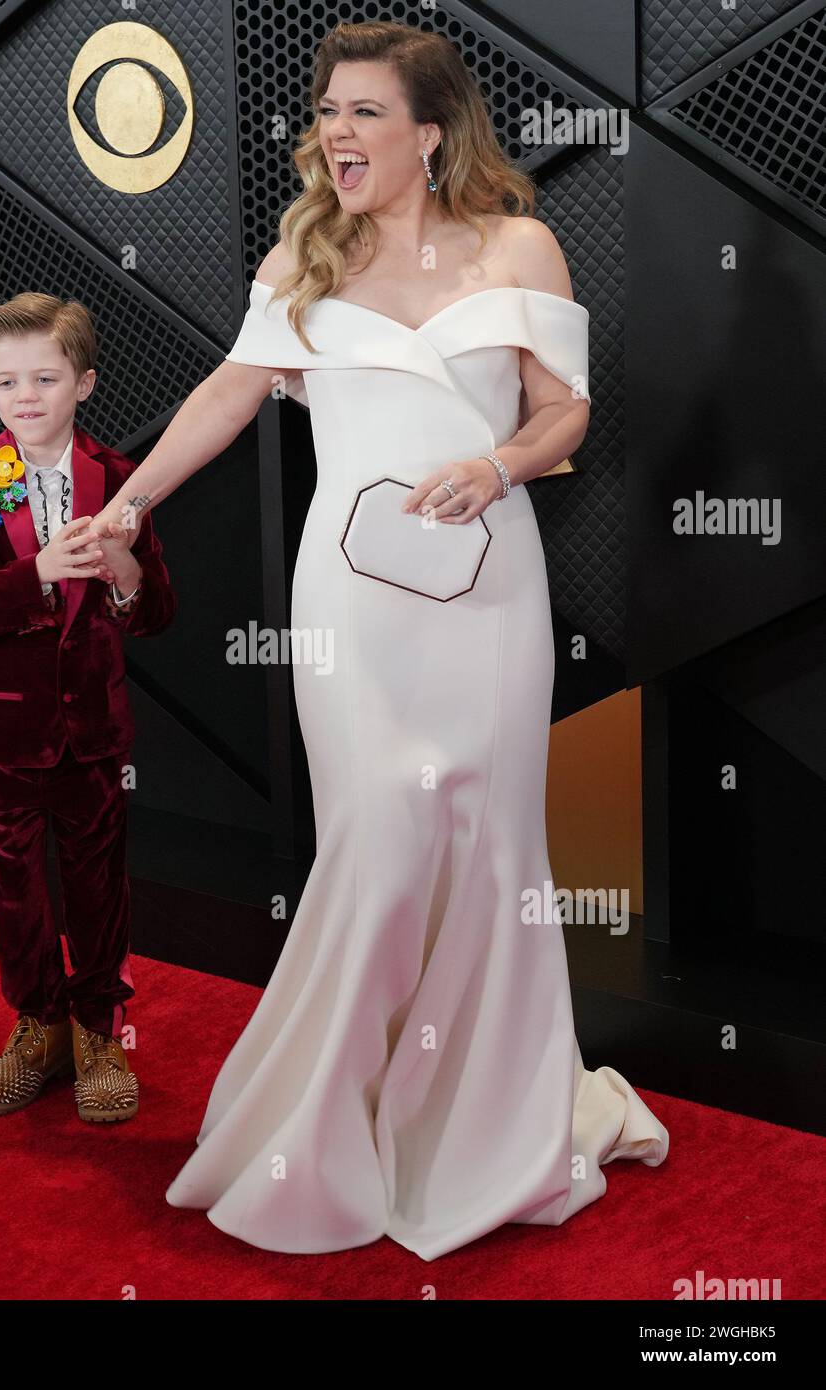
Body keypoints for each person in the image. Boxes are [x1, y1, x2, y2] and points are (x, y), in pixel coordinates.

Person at [88, 20, 669, 1259]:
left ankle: (477, 1129)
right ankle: (327, 1129)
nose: (335, 133)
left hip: (488, 595)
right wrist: (123, 508)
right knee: (383, 841)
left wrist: (496, 465)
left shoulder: (517, 245)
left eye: (363, 112)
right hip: (351, 605)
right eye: (327, 112)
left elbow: (563, 412)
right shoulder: (306, 256)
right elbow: (226, 395)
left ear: (430, 131)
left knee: (488, 848)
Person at [0, 292, 175, 1125]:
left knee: (98, 883)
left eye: (44, 377)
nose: (25, 396)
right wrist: (36, 571)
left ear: (84, 382)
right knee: (14, 890)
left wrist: (125, 573)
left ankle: (98, 1031)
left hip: (93, 731)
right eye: (6, 382)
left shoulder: (121, 480)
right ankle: (38, 1025)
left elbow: (158, 612)